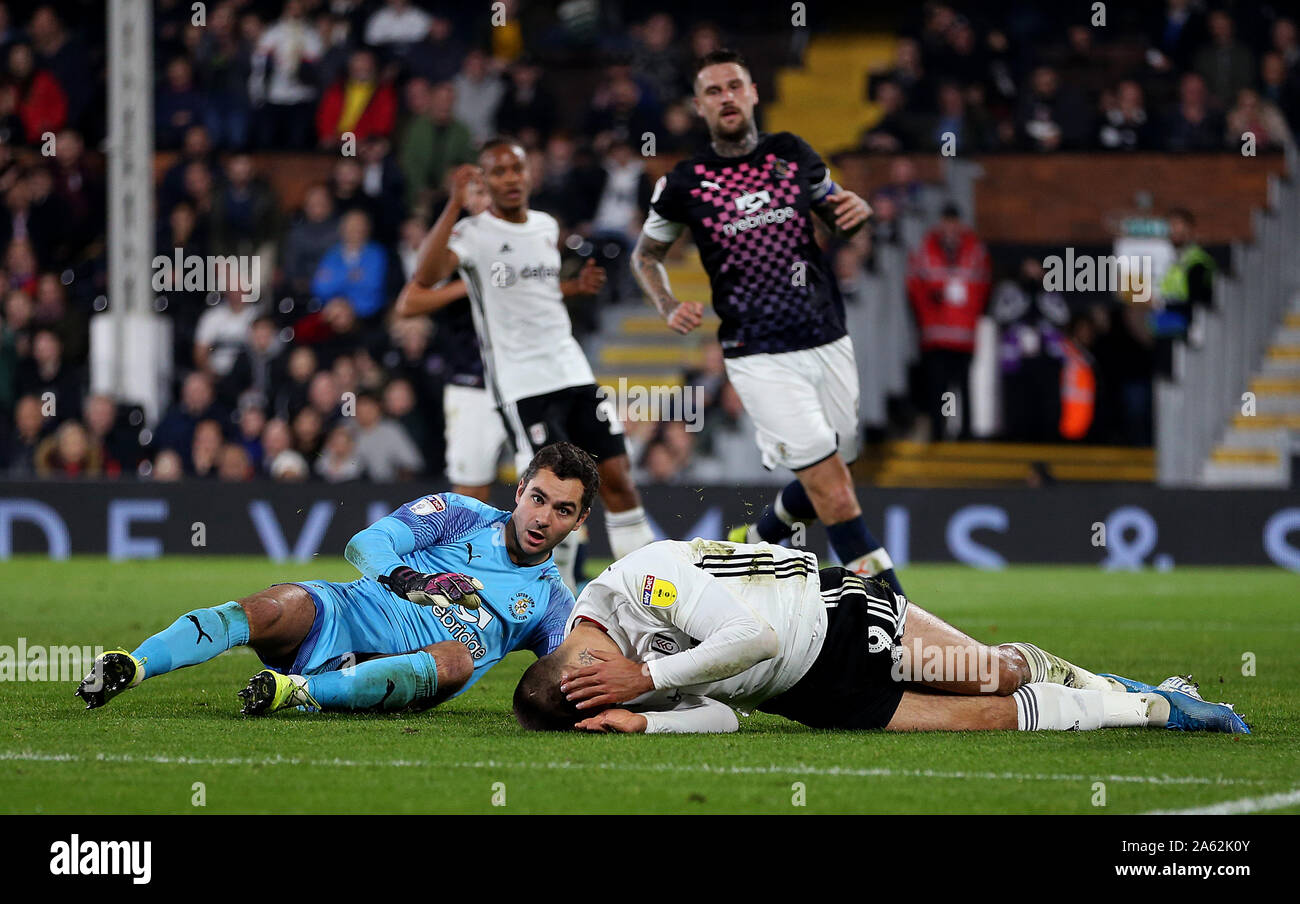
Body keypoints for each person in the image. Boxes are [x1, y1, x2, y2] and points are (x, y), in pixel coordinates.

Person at [630, 49, 903, 593]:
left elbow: (840, 216)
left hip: (827, 335)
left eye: (734, 85)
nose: (726, 97)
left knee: (839, 463)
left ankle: (762, 539)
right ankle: (896, 623)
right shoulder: (686, 182)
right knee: (834, 490)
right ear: (699, 106)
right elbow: (646, 256)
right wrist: (666, 306)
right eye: (713, 90)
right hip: (757, 353)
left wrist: (860, 214)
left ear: (753, 93)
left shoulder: (792, 154)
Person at [513, 539, 1250, 735]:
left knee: (994, 676)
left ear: (574, 651)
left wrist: (645, 683)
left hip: (840, 617)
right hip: (816, 701)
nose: (621, 674)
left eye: (598, 675)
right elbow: (725, 715)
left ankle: (1132, 688)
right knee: (990, 720)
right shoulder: (618, 682)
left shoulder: (642, 579)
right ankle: (1154, 711)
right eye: (596, 696)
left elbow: (755, 638)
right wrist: (642, 723)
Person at [75, 443, 597, 717]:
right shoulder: (461, 513)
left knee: (458, 659)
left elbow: (569, 676)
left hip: (408, 672)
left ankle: (298, 692)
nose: (542, 518)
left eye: (562, 510)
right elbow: (363, 545)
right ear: (520, 490)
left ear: (579, 521)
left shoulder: (552, 602)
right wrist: (410, 578)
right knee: (276, 605)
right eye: (538, 498)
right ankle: (136, 665)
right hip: (348, 611)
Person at [411, 138, 653, 590]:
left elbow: (532, 295)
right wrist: (452, 207)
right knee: (556, 491)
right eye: (498, 172)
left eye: (515, 170)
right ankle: (556, 599)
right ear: (484, 180)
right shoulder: (473, 233)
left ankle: (645, 590)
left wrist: (573, 287)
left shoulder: (546, 226)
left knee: (618, 478)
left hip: (572, 370)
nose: (509, 179)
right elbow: (424, 279)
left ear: (529, 175)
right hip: (522, 384)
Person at [394, 178, 506, 501]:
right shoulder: (455, 245)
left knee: (552, 481)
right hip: (470, 378)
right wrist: (468, 285)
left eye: (489, 191)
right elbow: (408, 303)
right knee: (471, 489)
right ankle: (471, 551)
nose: (483, 201)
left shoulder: (532, 235)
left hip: (525, 379)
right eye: (477, 193)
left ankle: (560, 552)